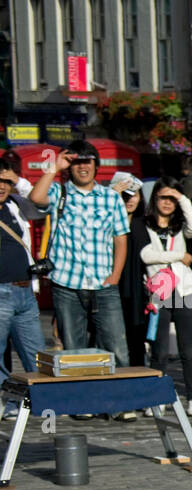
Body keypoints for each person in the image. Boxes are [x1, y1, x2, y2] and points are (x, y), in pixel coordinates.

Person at [28, 141, 132, 378]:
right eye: (77, 162)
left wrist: (115, 276)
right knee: (74, 350)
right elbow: (36, 198)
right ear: (69, 166)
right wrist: (54, 167)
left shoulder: (110, 197)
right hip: (67, 284)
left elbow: (121, 240)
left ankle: (122, 403)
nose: (82, 167)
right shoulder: (58, 192)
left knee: (116, 346)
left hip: (104, 284)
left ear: (96, 166)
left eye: (88, 161)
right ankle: (83, 404)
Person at [139, 177, 192, 414]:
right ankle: (157, 397)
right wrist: (178, 256)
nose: (167, 202)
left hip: (185, 292)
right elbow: (147, 256)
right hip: (157, 294)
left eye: (172, 198)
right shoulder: (143, 225)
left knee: (188, 350)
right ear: (154, 198)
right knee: (159, 351)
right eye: (163, 197)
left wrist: (183, 198)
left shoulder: (181, 226)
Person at [0, 164, 42, 404]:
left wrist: (17, 179)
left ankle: (41, 399)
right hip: (1, 291)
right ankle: (10, 403)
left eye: (6, 182)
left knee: (36, 354)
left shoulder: (16, 204)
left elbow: (39, 205)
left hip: (24, 290)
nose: (2, 186)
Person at [111, 174, 149, 368]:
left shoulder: (144, 224)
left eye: (134, 194)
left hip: (138, 290)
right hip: (112, 287)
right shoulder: (107, 222)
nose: (130, 199)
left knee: (136, 340)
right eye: (125, 195)